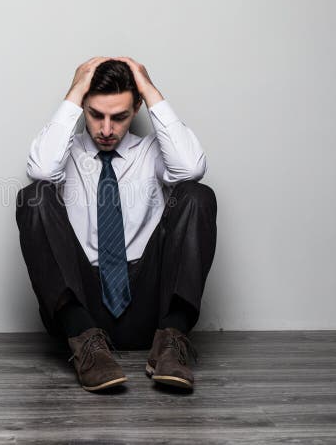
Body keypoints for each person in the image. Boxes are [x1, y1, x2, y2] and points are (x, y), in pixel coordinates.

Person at [16, 56, 217, 392]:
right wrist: (75, 90)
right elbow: (39, 172)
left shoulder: (152, 151)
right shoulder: (65, 152)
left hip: (148, 303)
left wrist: (149, 88)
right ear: (84, 108)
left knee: (197, 195)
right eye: (96, 115)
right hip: (83, 309)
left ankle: (170, 345)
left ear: (136, 109)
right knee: (34, 196)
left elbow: (191, 169)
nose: (106, 130)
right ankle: (88, 349)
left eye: (119, 117)